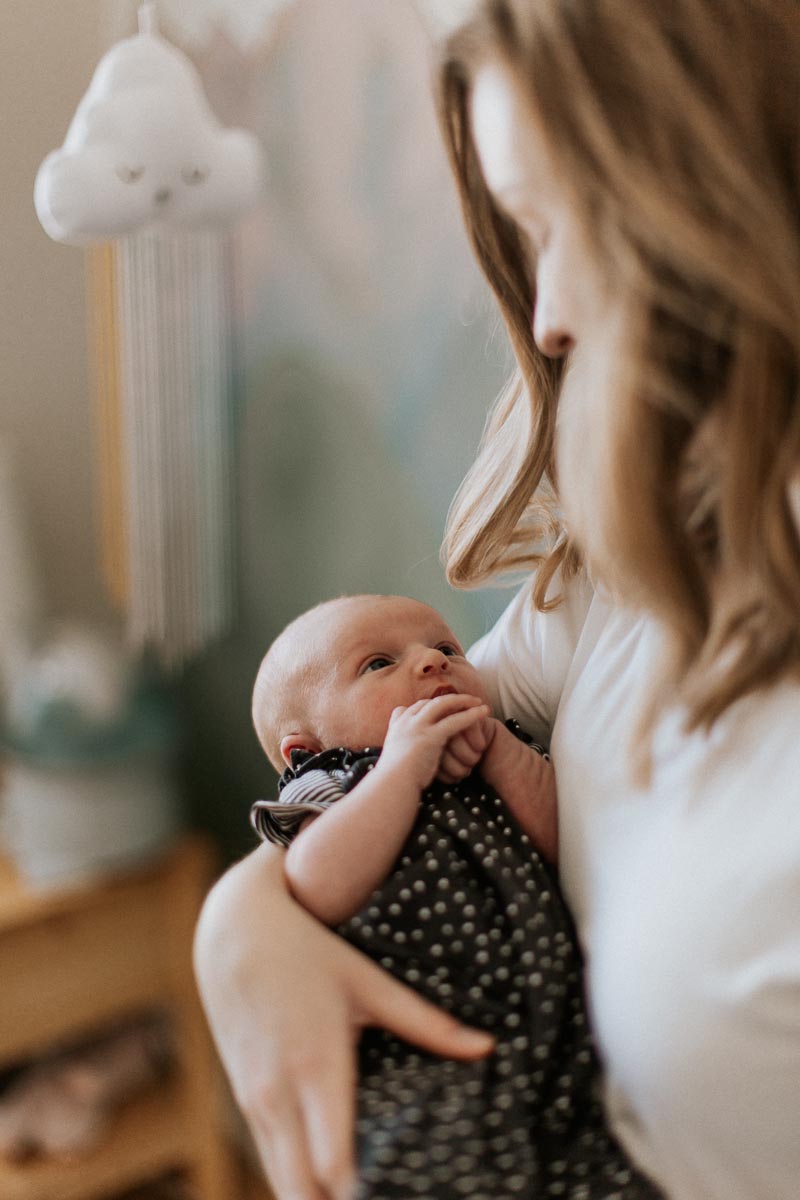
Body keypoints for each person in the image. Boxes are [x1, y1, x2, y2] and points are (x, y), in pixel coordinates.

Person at [193, 3, 800, 1198]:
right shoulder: (636, 575)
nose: (548, 314)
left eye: (563, 222)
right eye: (525, 236)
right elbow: (368, 768)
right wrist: (237, 935)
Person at [248, 593, 662, 1199]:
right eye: (378, 665)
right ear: (302, 751)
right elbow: (317, 884)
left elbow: (567, 843)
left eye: (446, 649)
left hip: (552, 1036)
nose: (431, 663)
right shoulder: (334, 780)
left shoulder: (499, 744)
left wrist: (502, 754)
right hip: (419, 1056)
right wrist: (400, 770)